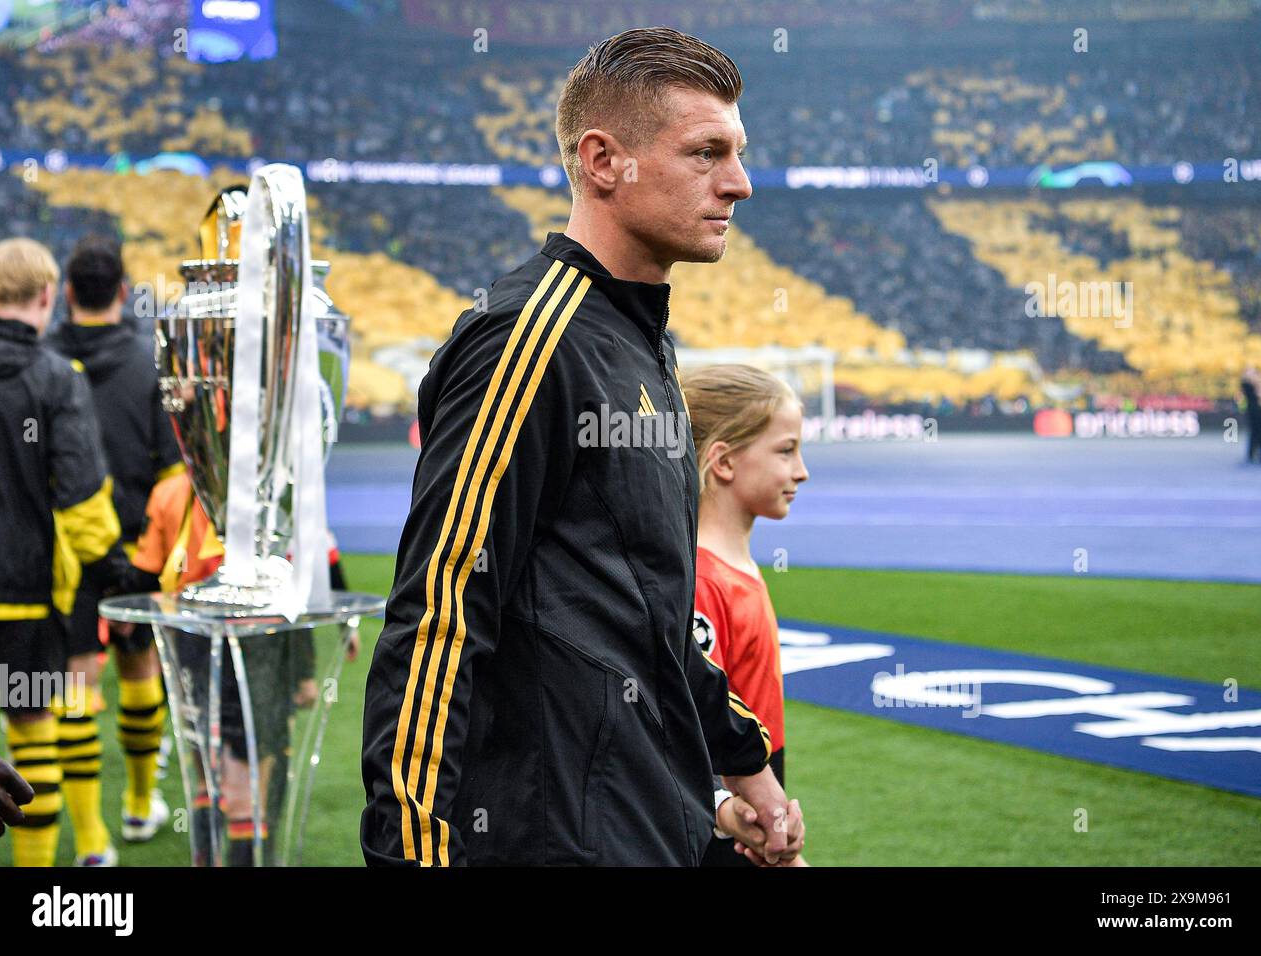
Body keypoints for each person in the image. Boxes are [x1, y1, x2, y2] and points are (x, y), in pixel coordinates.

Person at [361, 27, 803, 866]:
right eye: (706, 152)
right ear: (604, 161)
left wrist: (745, 767)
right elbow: (441, 619)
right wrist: (406, 851)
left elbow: (653, 616)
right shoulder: (525, 343)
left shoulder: (641, 344)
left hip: (651, 820)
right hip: (557, 835)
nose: (740, 184)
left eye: (737, 153)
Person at [0, 237, 125, 866]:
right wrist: (112, 567)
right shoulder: (55, 380)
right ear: (47, 297)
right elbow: (82, 499)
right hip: (28, 600)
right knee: (34, 734)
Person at [125, 471, 354, 865]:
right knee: (256, 760)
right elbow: (310, 558)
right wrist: (307, 665)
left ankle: (211, 856)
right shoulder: (274, 489)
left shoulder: (170, 490)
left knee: (206, 759)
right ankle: (248, 854)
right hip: (257, 638)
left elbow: (147, 571)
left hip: (192, 638)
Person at [46, 235, 180, 864]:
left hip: (60, 553)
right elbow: (172, 469)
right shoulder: (151, 358)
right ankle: (137, 804)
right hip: (134, 549)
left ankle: (92, 842)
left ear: (67, 293)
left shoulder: (41, 362)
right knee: (138, 670)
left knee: (74, 681)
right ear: (123, 292)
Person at [681, 365, 811, 867]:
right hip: (724, 834)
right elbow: (687, 726)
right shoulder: (705, 582)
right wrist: (735, 811)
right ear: (724, 462)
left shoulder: (728, 569)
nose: (801, 470)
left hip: (756, 816)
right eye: (785, 450)